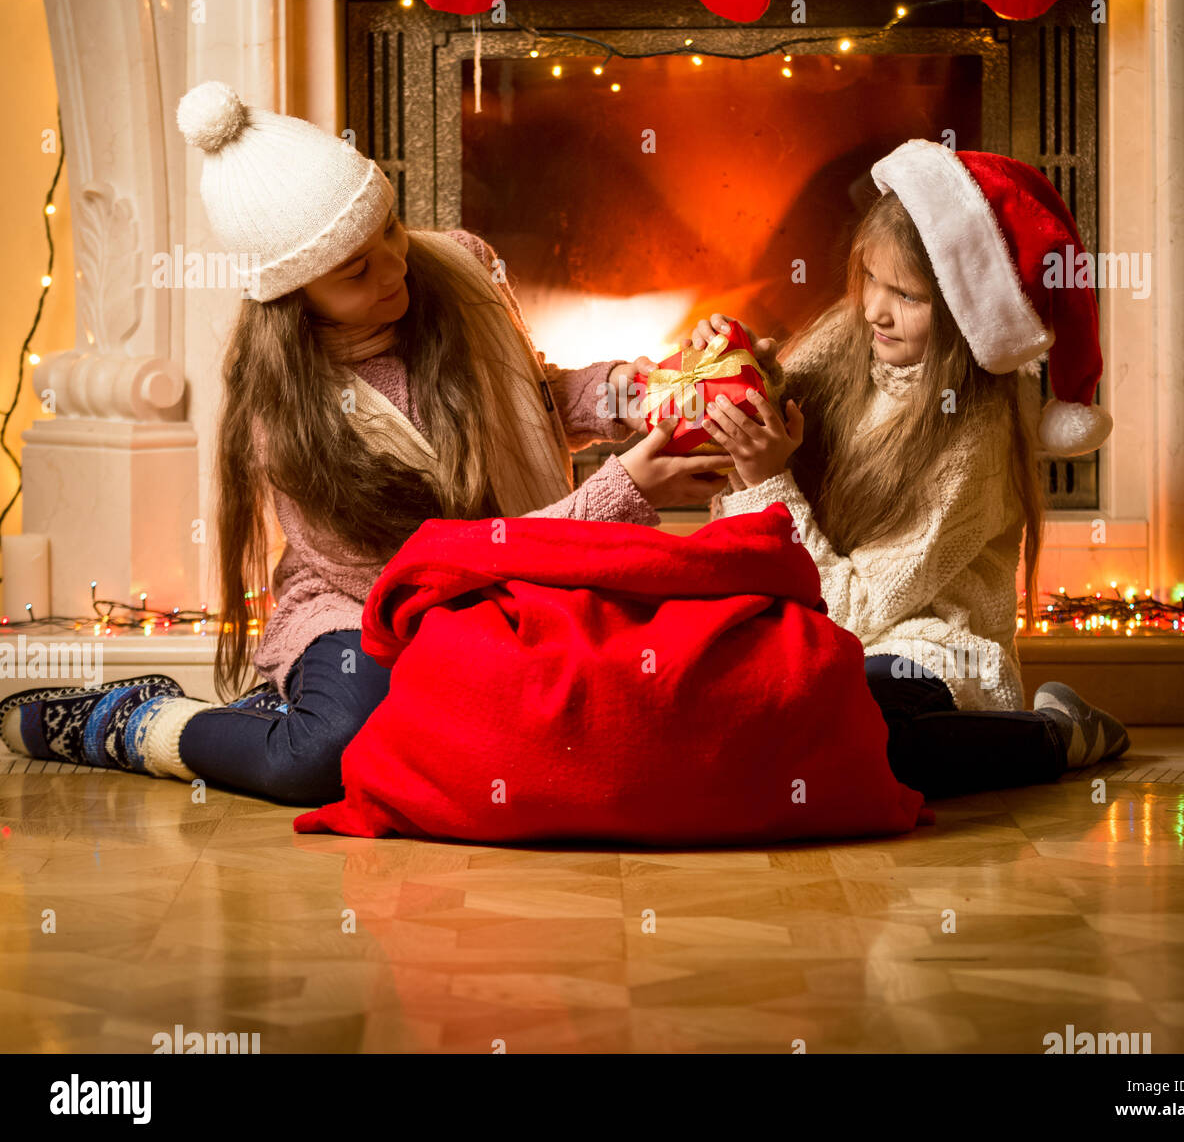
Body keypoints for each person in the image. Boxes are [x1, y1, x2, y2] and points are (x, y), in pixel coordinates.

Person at [1, 82, 738, 805]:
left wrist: (643, 391)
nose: (397, 267)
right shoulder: (287, 418)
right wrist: (623, 494)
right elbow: (425, 573)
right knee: (323, 758)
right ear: (296, 300)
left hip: (511, 571)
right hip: (372, 600)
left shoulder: (454, 267)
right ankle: (134, 720)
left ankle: (271, 712)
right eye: (355, 270)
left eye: (388, 227)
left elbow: (527, 399)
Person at [700, 139, 1130, 800]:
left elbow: (864, 610)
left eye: (906, 294)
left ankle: (1055, 733)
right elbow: (763, 432)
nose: (875, 308)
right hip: (825, 629)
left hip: (926, 646)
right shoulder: (854, 336)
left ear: (967, 305)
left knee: (865, 736)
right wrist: (736, 368)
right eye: (870, 278)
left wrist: (766, 486)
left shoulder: (978, 431)